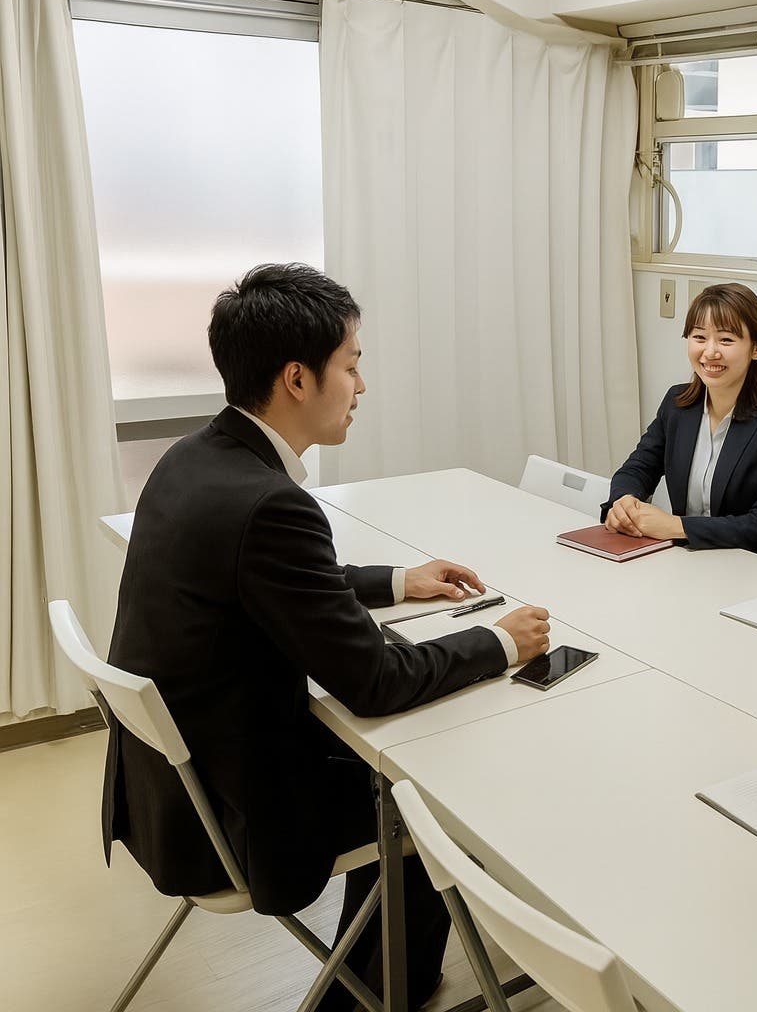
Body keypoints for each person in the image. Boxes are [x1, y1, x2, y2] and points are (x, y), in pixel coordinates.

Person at [103, 264, 552, 1012]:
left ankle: (387, 974)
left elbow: (268, 580)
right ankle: (376, 989)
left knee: (402, 762)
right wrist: (500, 643)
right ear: (297, 379)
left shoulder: (195, 460)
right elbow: (376, 682)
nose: (362, 386)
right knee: (435, 785)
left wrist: (396, 583)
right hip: (236, 814)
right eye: (352, 363)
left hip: (168, 796)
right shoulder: (270, 504)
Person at [602, 282, 757, 565]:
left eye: (726, 340)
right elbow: (637, 468)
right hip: (689, 563)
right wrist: (623, 502)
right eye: (699, 337)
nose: (710, 352)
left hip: (756, 568)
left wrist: (676, 527)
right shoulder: (677, 404)